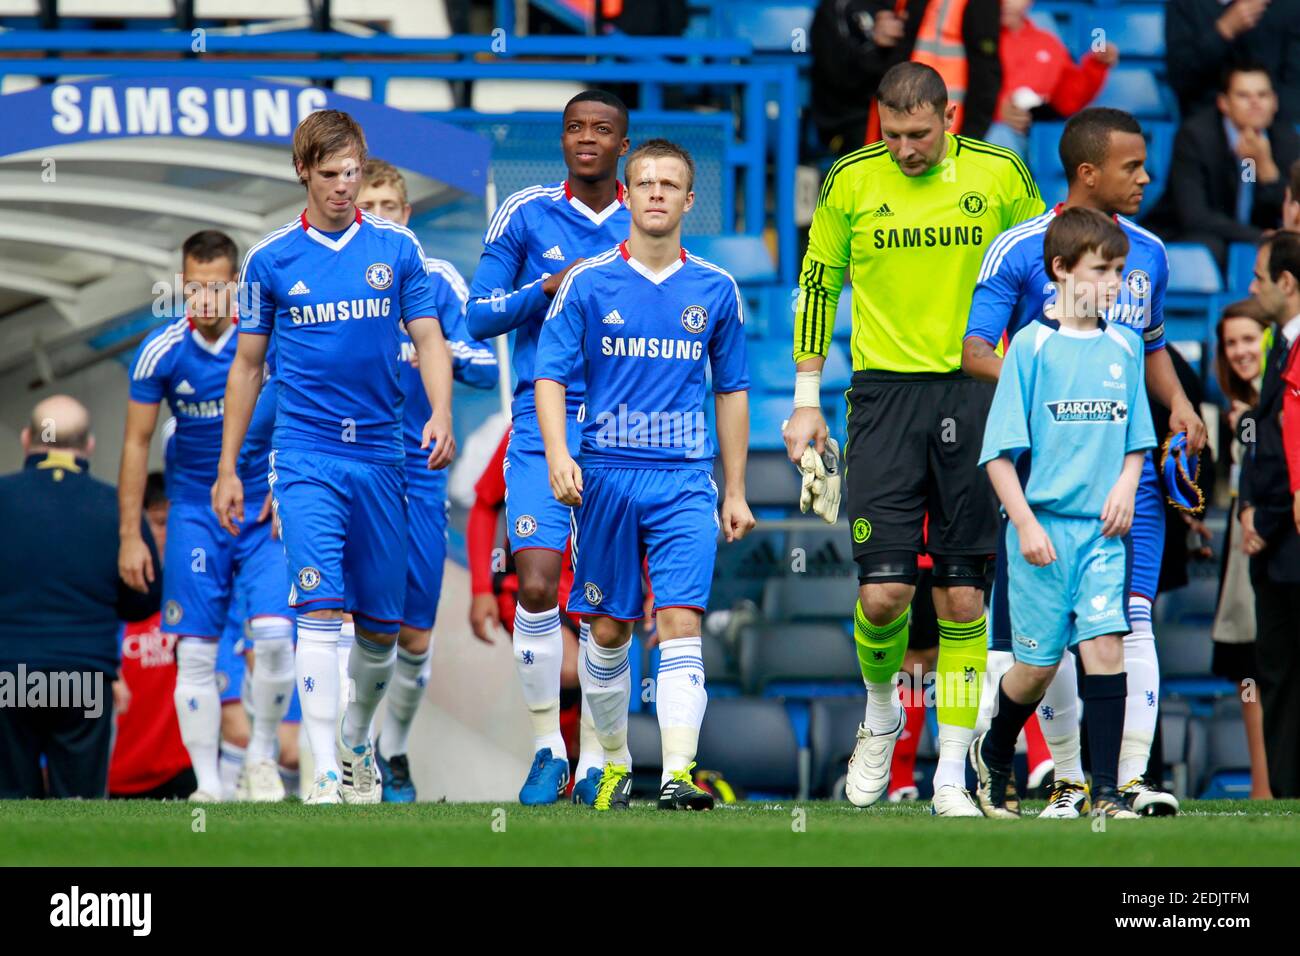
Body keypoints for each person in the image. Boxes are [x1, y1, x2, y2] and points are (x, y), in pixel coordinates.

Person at [785, 61, 1044, 816]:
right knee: (883, 593)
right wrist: (806, 400)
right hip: (883, 395)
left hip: (978, 390)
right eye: (893, 134)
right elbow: (816, 284)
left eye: (919, 134)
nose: (905, 149)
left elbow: (1037, 272)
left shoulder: (1002, 176)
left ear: (951, 115)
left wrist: (1030, 377)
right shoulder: (851, 178)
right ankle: (879, 713)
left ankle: (951, 774)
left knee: (965, 597)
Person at [964, 107, 1206, 817]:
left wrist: (1182, 408)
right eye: (1132, 166)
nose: (1145, 177)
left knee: (1126, 621)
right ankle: (1064, 777)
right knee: (1044, 649)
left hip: (1121, 472)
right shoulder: (1020, 249)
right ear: (1088, 171)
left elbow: (1150, 348)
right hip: (1044, 476)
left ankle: (1120, 784)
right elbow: (976, 349)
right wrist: (1049, 382)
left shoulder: (1150, 254)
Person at [213, 109, 457, 805]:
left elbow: (431, 339)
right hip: (306, 455)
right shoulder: (271, 260)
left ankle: (355, 738)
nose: (346, 186)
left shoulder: (398, 249)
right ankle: (322, 770)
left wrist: (439, 410)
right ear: (303, 172)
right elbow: (248, 367)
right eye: (331, 175)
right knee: (320, 610)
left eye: (353, 171)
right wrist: (231, 465)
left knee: (381, 629)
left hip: (384, 455)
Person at [535, 138, 756, 811]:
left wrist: (737, 488)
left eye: (669, 184)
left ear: (690, 201)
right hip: (604, 476)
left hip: (685, 479)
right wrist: (558, 454)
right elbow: (549, 375)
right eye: (645, 183)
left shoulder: (716, 289)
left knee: (682, 618)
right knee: (608, 630)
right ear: (625, 196)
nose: (656, 193)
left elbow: (734, 389)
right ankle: (612, 759)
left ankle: (678, 773)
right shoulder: (588, 281)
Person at [465, 90, 632, 805]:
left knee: (605, 605)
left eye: (601, 130)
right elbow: (477, 316)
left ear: (623, 145)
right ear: (561, 140)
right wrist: (547, 287)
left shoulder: (646, 213)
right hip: (544, 422)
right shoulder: (527, 213)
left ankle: (598, 756)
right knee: (534, 583)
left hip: (625, 428)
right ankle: (546, 749)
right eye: (574, 128)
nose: (586, 138)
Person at [972, 207, 1155, 820]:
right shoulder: (1030, 346)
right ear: (1060, 270)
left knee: (1105, 647)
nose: (1115, 283)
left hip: (1102, 535)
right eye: (1102, 270)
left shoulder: (1126, 346)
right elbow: (998, 455)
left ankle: (1104, 794)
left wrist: (1128, 484)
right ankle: (995, 750)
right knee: (1036, 668)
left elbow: (1136, 440)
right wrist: (1023, 523)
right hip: (1041, 533)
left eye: (1121, 271)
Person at [118, 229, 296, 804]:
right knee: (194, 650)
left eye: (217, 288)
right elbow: (135, 444)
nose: (205, 300)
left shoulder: (269, 341)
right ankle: (209, 786)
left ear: (237, 286)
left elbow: (305, 410)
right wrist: (131, 535)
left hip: (261, 509)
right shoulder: (161, 350)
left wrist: (287, 484)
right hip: (194, 511)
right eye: (194, 288)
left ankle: (262, 759)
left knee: (272, 637)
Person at [355, 157, 498, 802]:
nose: (381, 217)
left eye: (391, 207)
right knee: (340, 615)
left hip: (417, 472)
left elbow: (483, 364)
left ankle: (396, 751)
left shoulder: (436, 277)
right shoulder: (337, 276)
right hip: (349, 462)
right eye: (370, 206)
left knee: (412, 631)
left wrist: (426, 349)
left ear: (407, 216)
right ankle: (347, 753)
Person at [0, 396, 160, 798]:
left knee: (10, 805)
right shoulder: (117, 509)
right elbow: (145, 597)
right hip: (84, 673)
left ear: (25, 439)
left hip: (9, 671)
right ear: (88, 445)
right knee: (79, 807)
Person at [1239, 230, 1300, 797]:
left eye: (1260, 277)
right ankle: (1285, 795)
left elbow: (1293, 449)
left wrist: (1267, 516)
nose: (1252, 287)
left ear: (1286, 282)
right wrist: (1247, 506)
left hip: (1288, 541)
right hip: (1275, 549)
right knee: (1278, 677)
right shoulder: (1278, 342)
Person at [1144, 63, 1300, 271]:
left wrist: (1266, 171)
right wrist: (1259, 236)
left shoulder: (1287, 140)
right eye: (1244, 95)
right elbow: (1195, 216)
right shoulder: (1195, 137)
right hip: (1190, 234)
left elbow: (1293, 210)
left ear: (1275, 102)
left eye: (1262, 95)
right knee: (1212, 248)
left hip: (1252, 238)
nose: (1255, 103)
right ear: (1223, 103)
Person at [1211, 297, 1273, 799]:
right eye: (1230, 342)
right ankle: (1262, 787)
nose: (1239, 352)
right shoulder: (1235, 412)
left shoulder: (1275, 403)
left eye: (1249, 339)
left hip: (1272, 544)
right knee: (1248, 675)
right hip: (1240, 554)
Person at [809, 0, 1002, 155]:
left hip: (947, 132)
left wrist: (969, 143)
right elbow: (839, 76)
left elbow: (987, 74)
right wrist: (875, 46)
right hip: (857, 124)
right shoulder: (838, 8)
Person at [109, 468, 196, 800]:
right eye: (159, 523)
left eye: (176, 523)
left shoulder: (198, 593)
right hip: (112, 779)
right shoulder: (105, 594)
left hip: (182, 773)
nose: (169, 534)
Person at [984, 0, 1116, 159]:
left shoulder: (1048, 44)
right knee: (999, 135)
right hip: (979, 132)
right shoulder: (968, 39)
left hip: (1026, 139)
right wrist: (995, 111)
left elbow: (1069, 100)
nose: (1006, 3)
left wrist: (1097, 64)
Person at [1165, 0, 1300, 128]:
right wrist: (1224, 30)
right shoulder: (1185, 4)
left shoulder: (1288, 6)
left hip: (1274, 128)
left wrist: (1278, 135)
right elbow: (1181, 78)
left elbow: (1294, 84)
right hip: (1206, 129)